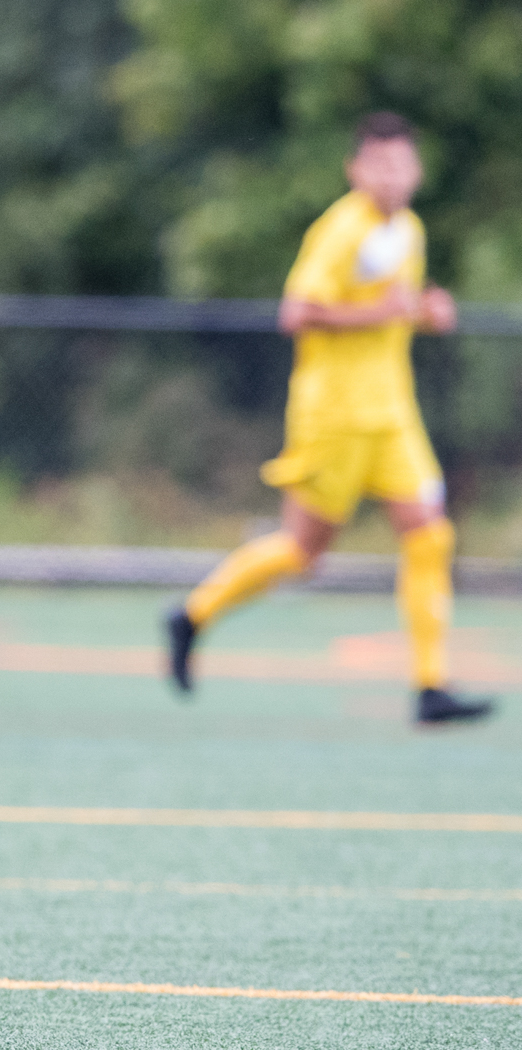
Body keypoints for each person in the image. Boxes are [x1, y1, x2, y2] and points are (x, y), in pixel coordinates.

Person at [166, 113, 490, 725]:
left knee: (429, 535)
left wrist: (426, 312)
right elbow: (299, 312)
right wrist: (384, 313)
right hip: (333, 417)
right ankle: (192, 614)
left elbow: (392, 309)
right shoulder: (340, 230)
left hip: (393, 414)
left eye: (401, 164)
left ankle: (431, 687)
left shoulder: (411, 231)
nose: (392, 176)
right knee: (302, 551)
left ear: (416, 171)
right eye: (379, 164)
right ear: (356, 170)